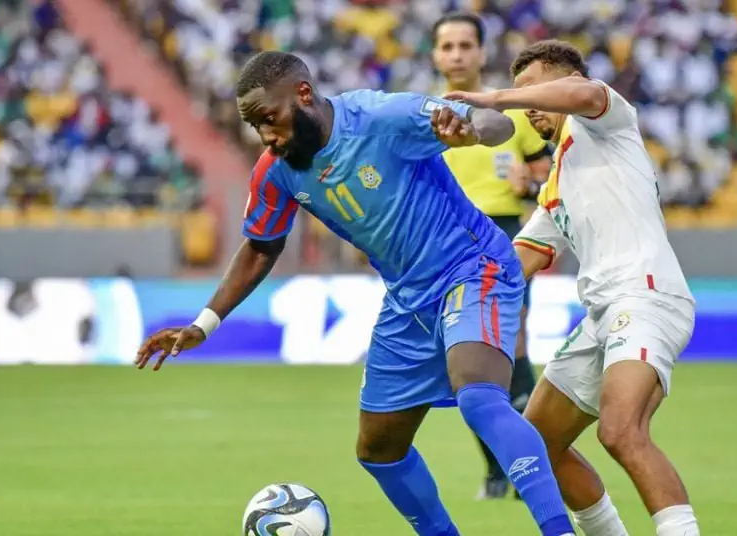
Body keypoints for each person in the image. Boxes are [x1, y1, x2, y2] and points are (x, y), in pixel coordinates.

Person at [134, 51, 577, 536]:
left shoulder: (379, 117)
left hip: (473, 268)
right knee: (379, 450)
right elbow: (261, 247)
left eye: (270, 119)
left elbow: (498, 127)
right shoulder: (275, 170)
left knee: (478, 396)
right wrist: (204, 324)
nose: (266, 136)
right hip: (407, 298)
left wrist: (468, 128)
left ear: (303, 94)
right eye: (256, 126)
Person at [446, 40, 701, 536]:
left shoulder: (606, 121)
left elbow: (584, 95)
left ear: (565, 80)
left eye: (533, 90)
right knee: (536, 440)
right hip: (602, 313)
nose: (526, 105)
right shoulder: (557, 178)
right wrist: (454, 294)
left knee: (621, 431)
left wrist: (497, 98)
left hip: (646, 296)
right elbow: (522, 258)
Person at [430, 11, 553, 500]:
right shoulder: (419, 110)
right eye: (448, 46)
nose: (457, 54)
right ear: (436, 55)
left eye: (466, 45)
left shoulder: (516, 117)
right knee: (465, 365)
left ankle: (521, 470)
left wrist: (531, 186)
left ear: (482, 53)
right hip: (439, 242)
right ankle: (500, 471)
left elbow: (549, 181)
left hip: (501, 236)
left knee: (510, 347)